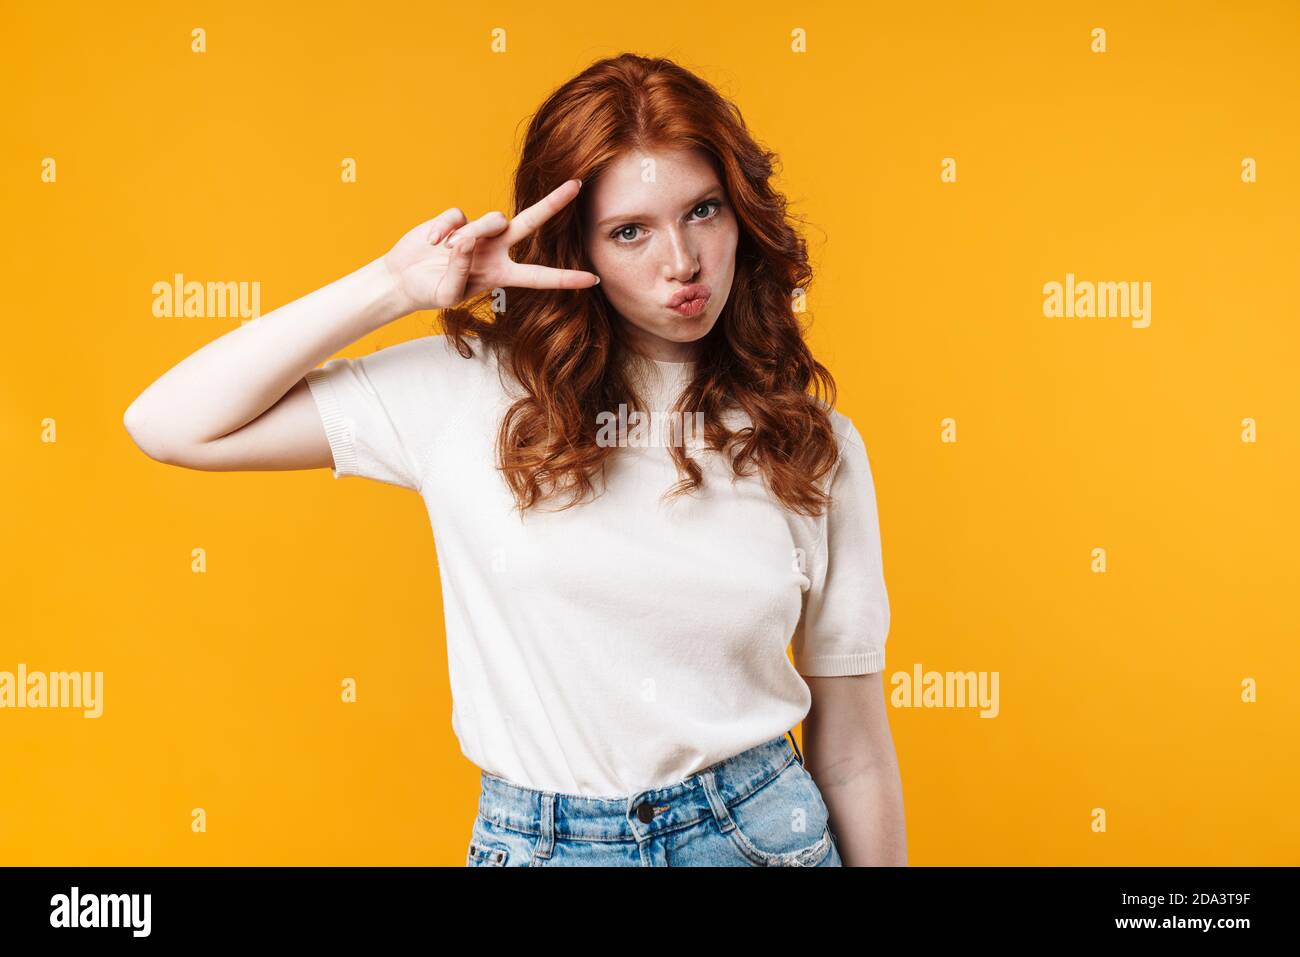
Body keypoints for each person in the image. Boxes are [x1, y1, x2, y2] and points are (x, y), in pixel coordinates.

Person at [124, 53, 906, 866]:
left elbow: (850, 745)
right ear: (578, 248)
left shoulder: (813, 445)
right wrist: (393, 286)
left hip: (756, 834)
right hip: (539, 843)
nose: (681, 262)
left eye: (703, 210)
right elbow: (171, 423)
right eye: (630, 230)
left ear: (742, 214)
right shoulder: (465, 394)